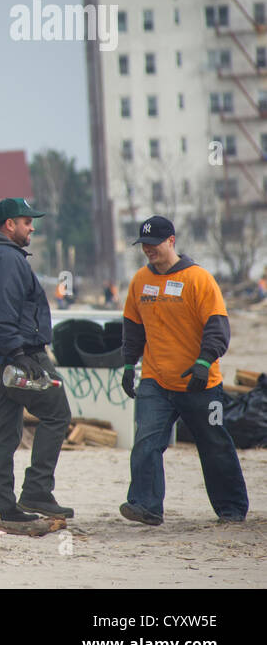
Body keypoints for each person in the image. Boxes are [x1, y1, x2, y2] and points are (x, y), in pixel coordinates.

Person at [119, 216, 248, 525]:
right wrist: (127, 364)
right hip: (156, 379)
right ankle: (146, 505)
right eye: (144, 245)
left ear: (171, 241)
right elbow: (133, 328)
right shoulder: (140, 281)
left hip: (200, 383)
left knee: (214, 442)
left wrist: (204, 362)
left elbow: (217, 328)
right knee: (146, 442)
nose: (148, 250)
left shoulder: (199, 279)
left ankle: (232, 508)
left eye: (153, 244)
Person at [0, 197, 72, 522]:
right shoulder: (5, 259)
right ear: (9, 225)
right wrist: (19, 354)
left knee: (5, 428)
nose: (32, 227)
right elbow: (1, 311)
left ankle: (3, 505)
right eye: (27, 222)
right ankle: (37, 490)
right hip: (13, 355)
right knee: (56, 412)